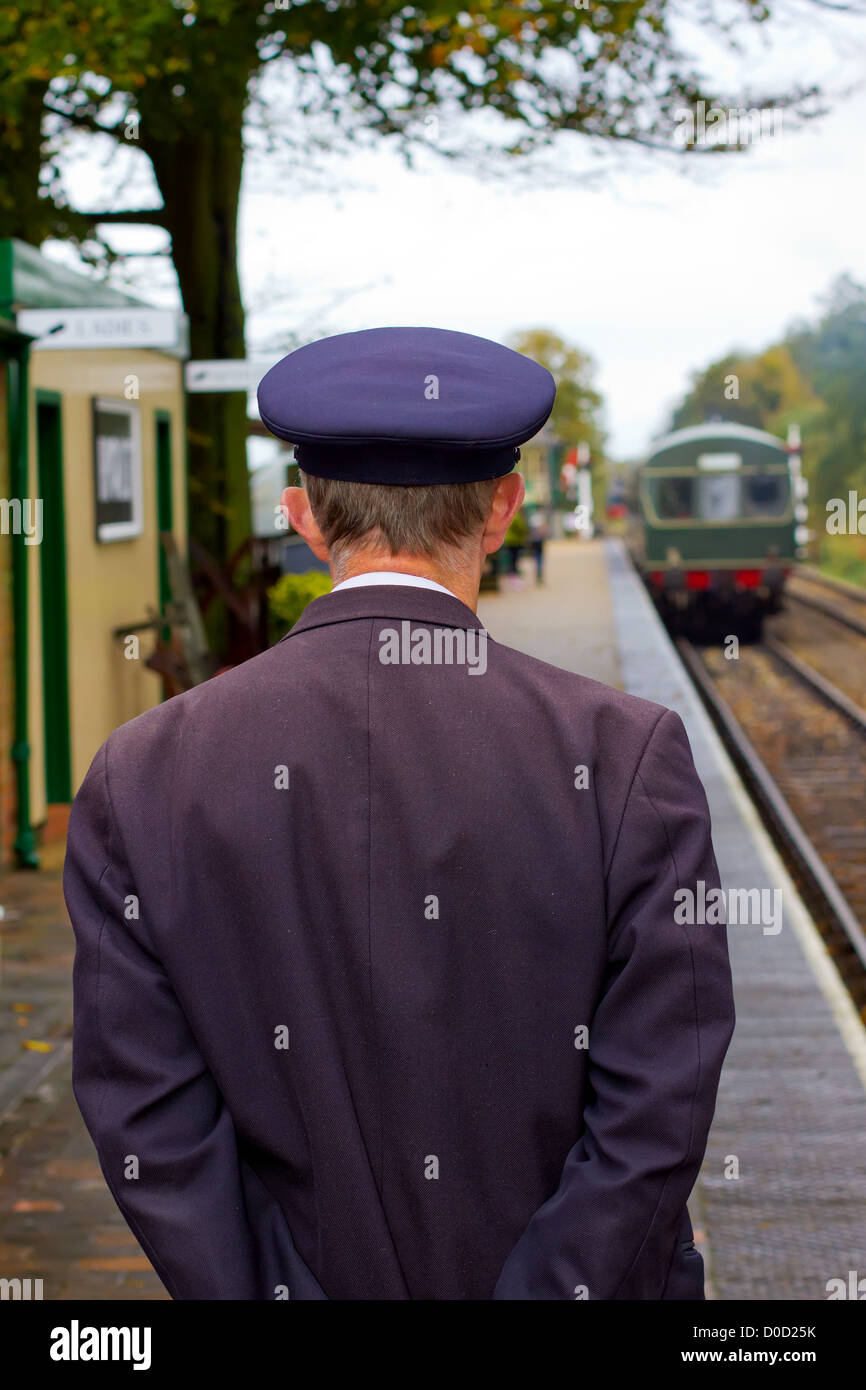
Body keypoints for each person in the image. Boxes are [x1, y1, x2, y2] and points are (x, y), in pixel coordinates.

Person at [64, 326, 735, 1301]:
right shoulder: (623, 753)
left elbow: (149, 1122)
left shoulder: (142, 773)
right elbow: (659, 1100)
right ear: (504, 505)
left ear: (301, 515)